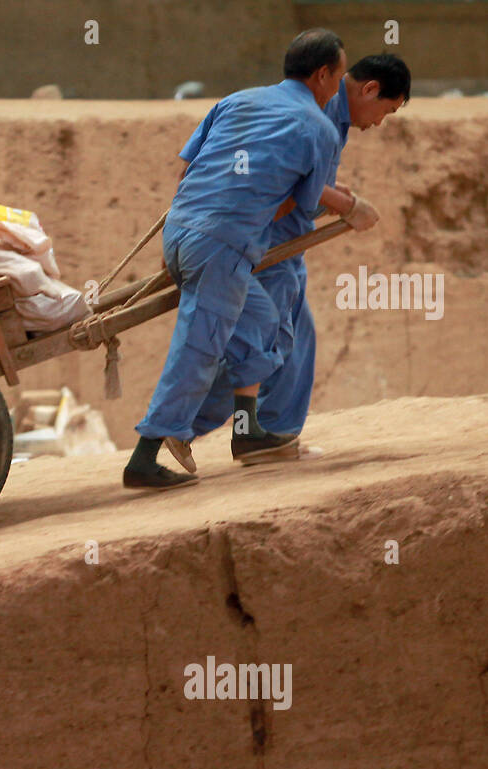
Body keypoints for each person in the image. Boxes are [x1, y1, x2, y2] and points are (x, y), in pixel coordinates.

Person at [124, 29, 347, 490]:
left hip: (180, 231)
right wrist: (349, 206)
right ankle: (144, 459)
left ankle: (246, 433)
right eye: (339, 76)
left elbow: (187, 169)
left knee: (266, 322)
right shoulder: (319, 127)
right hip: (222, 245)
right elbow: (301, 205)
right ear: (323, 75)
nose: (337, 87)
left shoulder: (235, 101)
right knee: (199, 347)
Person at [191, 54, 410, 457]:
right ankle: (184, 424)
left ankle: (265, 431)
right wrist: (346, 207)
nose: (380, 122)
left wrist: (334, 195)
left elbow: (303, 184)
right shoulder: (321, 114)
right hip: (267, 243)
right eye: (387, 111)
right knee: (261, 341)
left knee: (292, 337)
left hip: (282, 242)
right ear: (371, 89)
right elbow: (286, 182)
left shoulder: (332, 117)